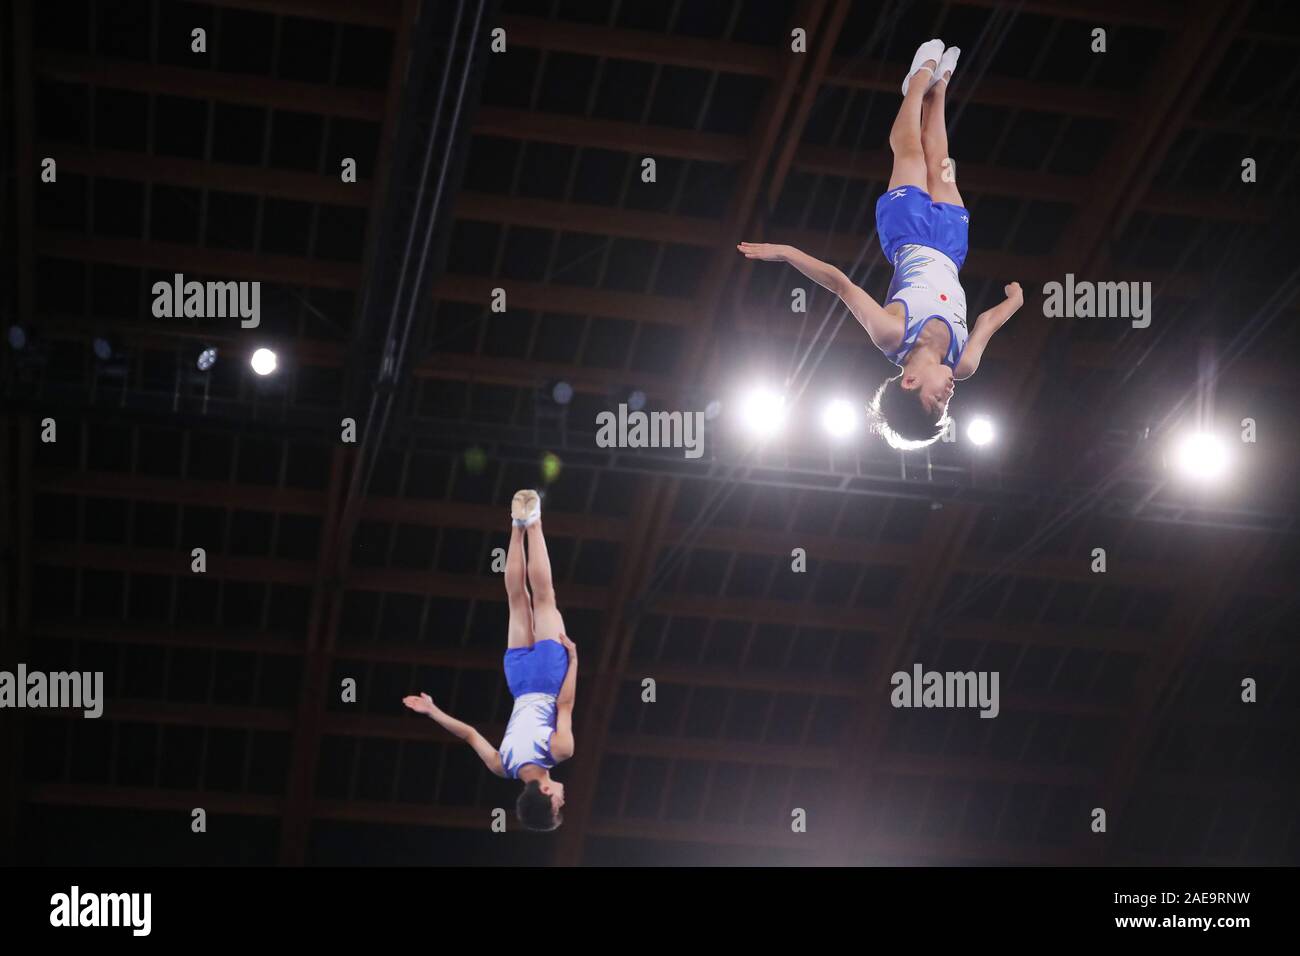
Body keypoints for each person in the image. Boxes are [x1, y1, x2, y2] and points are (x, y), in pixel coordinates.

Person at [739, 39, 1023, 449]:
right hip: (950, 245)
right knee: (941, 160)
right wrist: (1014, 301)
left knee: (909, 150)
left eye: (934, 405)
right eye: (945, 411)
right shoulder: (964, 363)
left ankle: (917, 81)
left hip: (906, 233)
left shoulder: (892, 334)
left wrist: (786, 252)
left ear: (908, 382)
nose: (947, 401)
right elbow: (986, 323)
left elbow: (841, 285)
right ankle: (940, 89)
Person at [402, 489, 576, 831]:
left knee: (543, 597)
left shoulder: (560, 750)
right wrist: (433, 711)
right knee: (515, 600)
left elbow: (566, 703)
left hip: (547, 678)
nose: (563, 799)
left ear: (544, 791)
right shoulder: (502, 766)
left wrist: (574, 659)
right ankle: (516, 525)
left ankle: (535, 522)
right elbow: (468, 734)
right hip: (517, 678)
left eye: (557, 804)